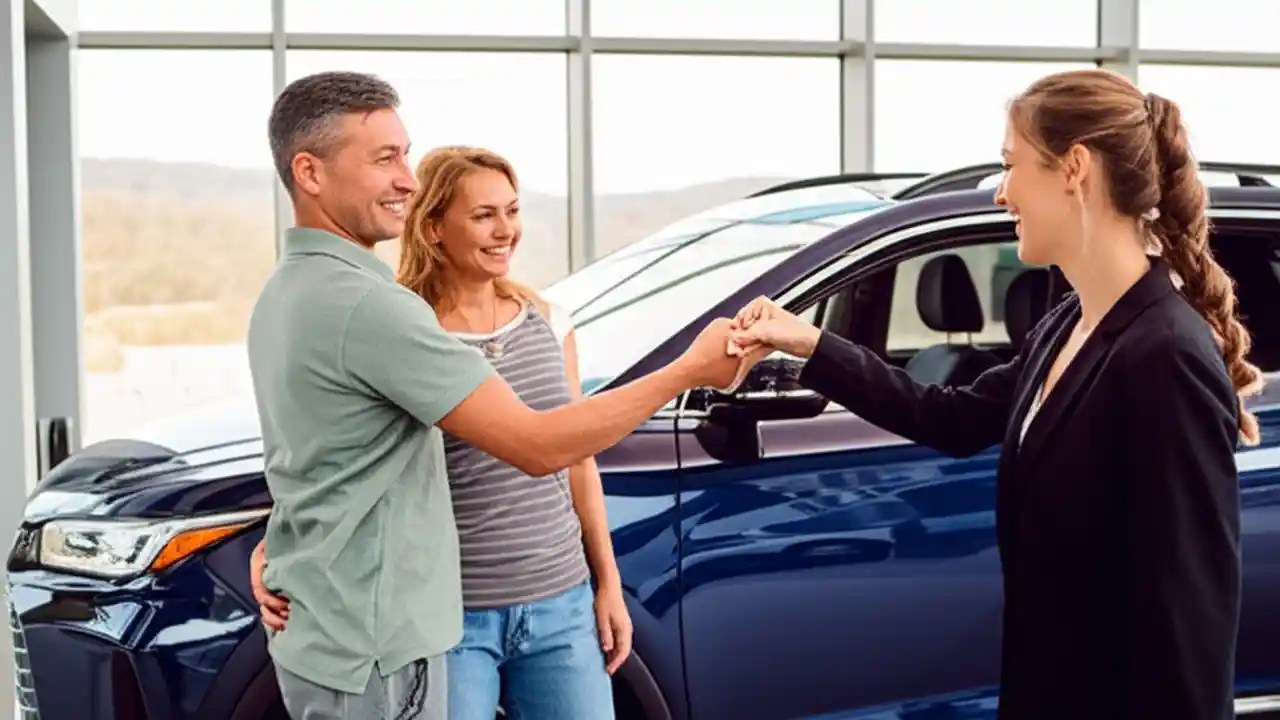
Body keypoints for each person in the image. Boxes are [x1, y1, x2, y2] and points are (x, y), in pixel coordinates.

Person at [727, 68, 1262, 720]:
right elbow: (948, 417)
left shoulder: (1165, 355)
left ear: (1074, 168)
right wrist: (808, 343)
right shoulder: (1071, 322)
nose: (1000, 195)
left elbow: (1189, 621)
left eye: (1010, 167)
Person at [248, 71, 746, 720]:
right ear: (309, 173)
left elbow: (319, 451)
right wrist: (688, 370)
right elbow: (540, 446)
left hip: (376, 632)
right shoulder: (379, 311)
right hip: (399, 639)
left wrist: (286, 546)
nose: (407, 177)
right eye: (385, 159)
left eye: (405, 154)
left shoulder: (284, 294)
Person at [252, 145, 629, 719]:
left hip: (563, 607)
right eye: (483, 216)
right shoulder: (403, 330)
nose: (506, 231)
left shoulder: (551, 322)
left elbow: (575, 458)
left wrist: (608, 582)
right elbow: (333, 447)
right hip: (452, 621)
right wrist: (277, 546)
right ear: (432, 228)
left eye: (512, 210)